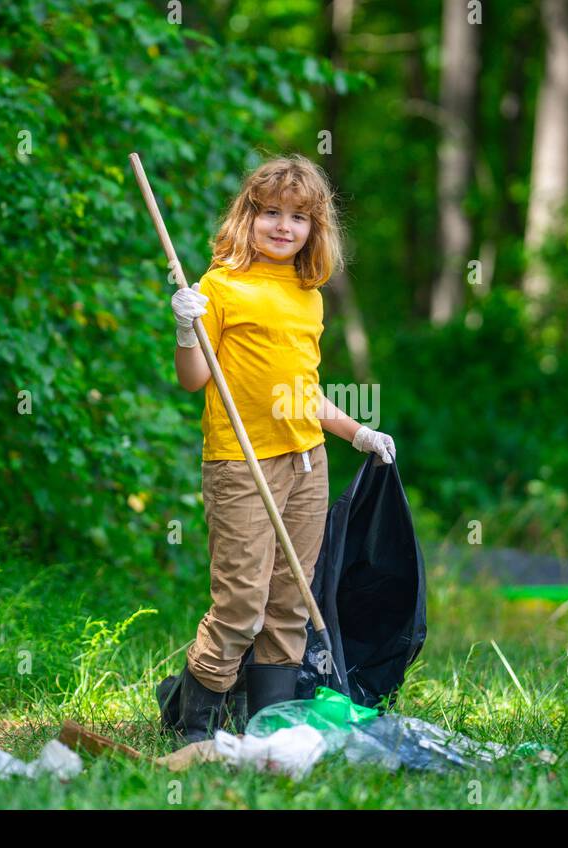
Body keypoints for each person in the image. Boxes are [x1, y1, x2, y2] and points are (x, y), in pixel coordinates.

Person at [169, 155, 396, 744]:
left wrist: (357, 433)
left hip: (306, 461)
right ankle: (194, 726)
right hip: (241, 463)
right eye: (270, 211)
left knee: (290, 600)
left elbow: (305, 392)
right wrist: (186, 329)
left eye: (298, 217)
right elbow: (194, 378)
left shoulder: (307, 293)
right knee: (242, 597)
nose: (282, 225)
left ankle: (266, 726)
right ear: (249, 217)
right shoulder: (219, 286)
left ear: (314, 230)